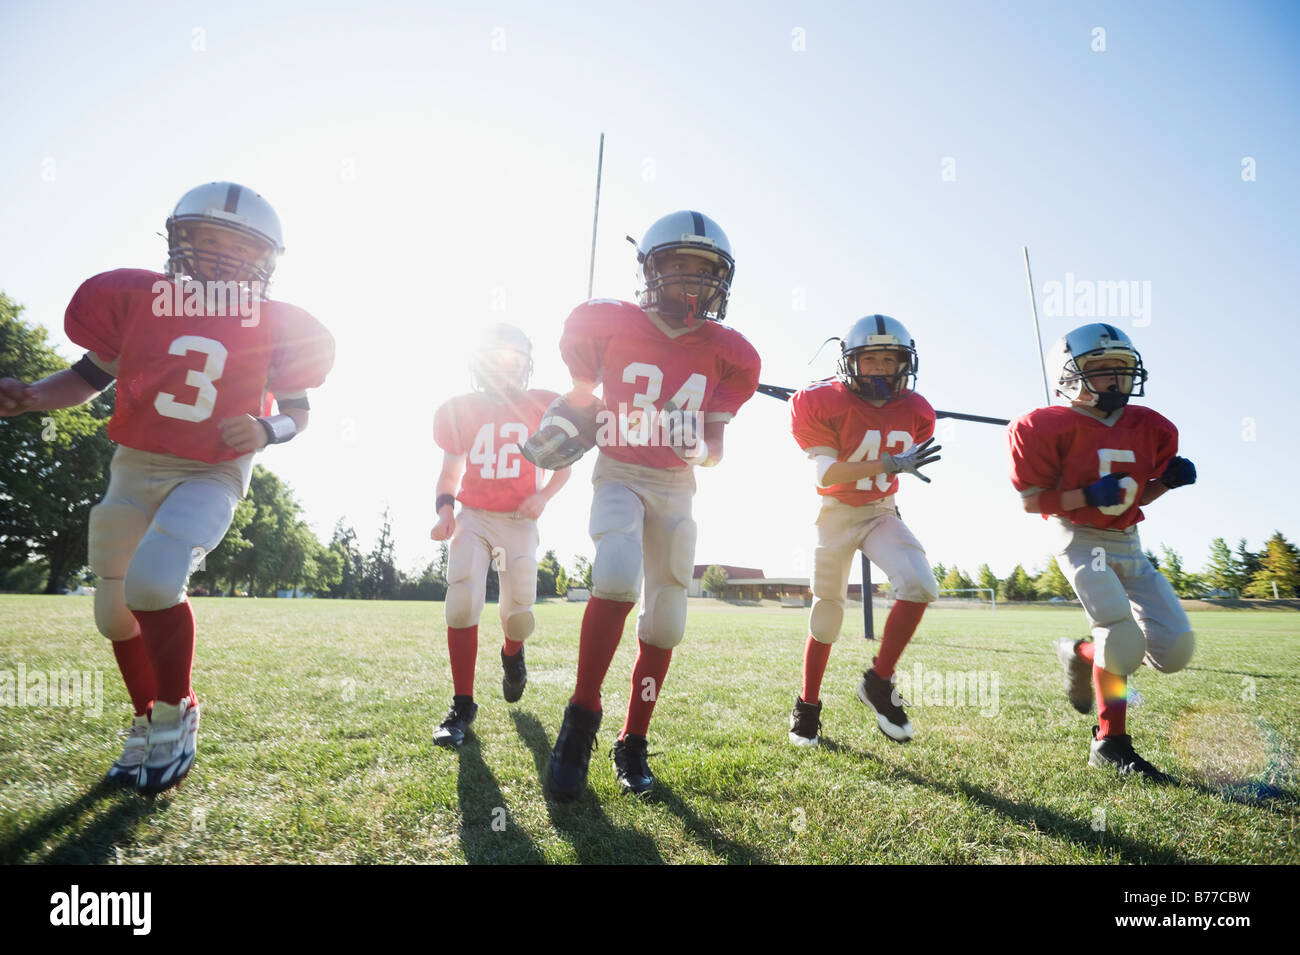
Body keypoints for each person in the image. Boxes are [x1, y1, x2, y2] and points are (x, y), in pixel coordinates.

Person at [0, 181, 334, 794]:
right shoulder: (138, 301)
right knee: (112, 610)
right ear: (177, 241)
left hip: (211, 468)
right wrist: (31, 400)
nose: (218, 256)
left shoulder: (276, 325)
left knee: (154, 581)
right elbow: (85, 377)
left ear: (263, 262)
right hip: (135, 462)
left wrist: (265, 427)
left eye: (235, 247)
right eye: (206, 240)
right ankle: (145, 719)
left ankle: (178, 713)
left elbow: (300, 413)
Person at [522, 210, 761, 799]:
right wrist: (575, 413)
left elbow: (716, 451)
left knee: (668, 615)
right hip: (621, 474)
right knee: (616, 573)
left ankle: (632, 742)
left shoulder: (732, 354)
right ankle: (581, 718)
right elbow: (581, 397)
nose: (692, 281)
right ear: (652, 270)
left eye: (705, 272)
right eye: (680, 266)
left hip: (676, 488)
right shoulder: (607, 323)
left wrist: (698, 447)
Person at [1008, 323, 1196, 781]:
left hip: (1128, 539)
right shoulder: (1042, 426)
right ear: (1070, 375)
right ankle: (1110, 743)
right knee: (1122, 638)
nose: (1115, 378)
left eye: (1122, 369)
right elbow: (1034, 502)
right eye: (1102, 369)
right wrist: (1087, 495)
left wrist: (1165, 485)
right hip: (1077, 537)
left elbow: (1136, 497)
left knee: (1174, 650)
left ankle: (1080, 652)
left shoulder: (1151, 426)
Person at [787, 316, 942, 747]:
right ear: (850, 361)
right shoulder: (821, 401)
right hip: (836, 512)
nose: (880, 369)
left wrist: (890, 474)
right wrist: (890, 464)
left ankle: (878, 680)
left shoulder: (916, 409)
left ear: (904, 364)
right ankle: (808, 704)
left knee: (919, 583)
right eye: (870, 359)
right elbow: (827, 476)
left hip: (879, 511)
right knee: (828, 615)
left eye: (889, 360)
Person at [429, 323, 570, 746]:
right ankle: (462, 705)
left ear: (526, 366)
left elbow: (564, 467)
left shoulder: (542, 405)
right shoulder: (460, 410)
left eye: (513, 362)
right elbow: (450, 474)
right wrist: (445, 512)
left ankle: (512, 653)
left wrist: (543, 496)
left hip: (517, 521)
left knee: (519, 609)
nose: (505, 370)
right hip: (474, 516)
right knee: (462, 599)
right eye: (497, 361)